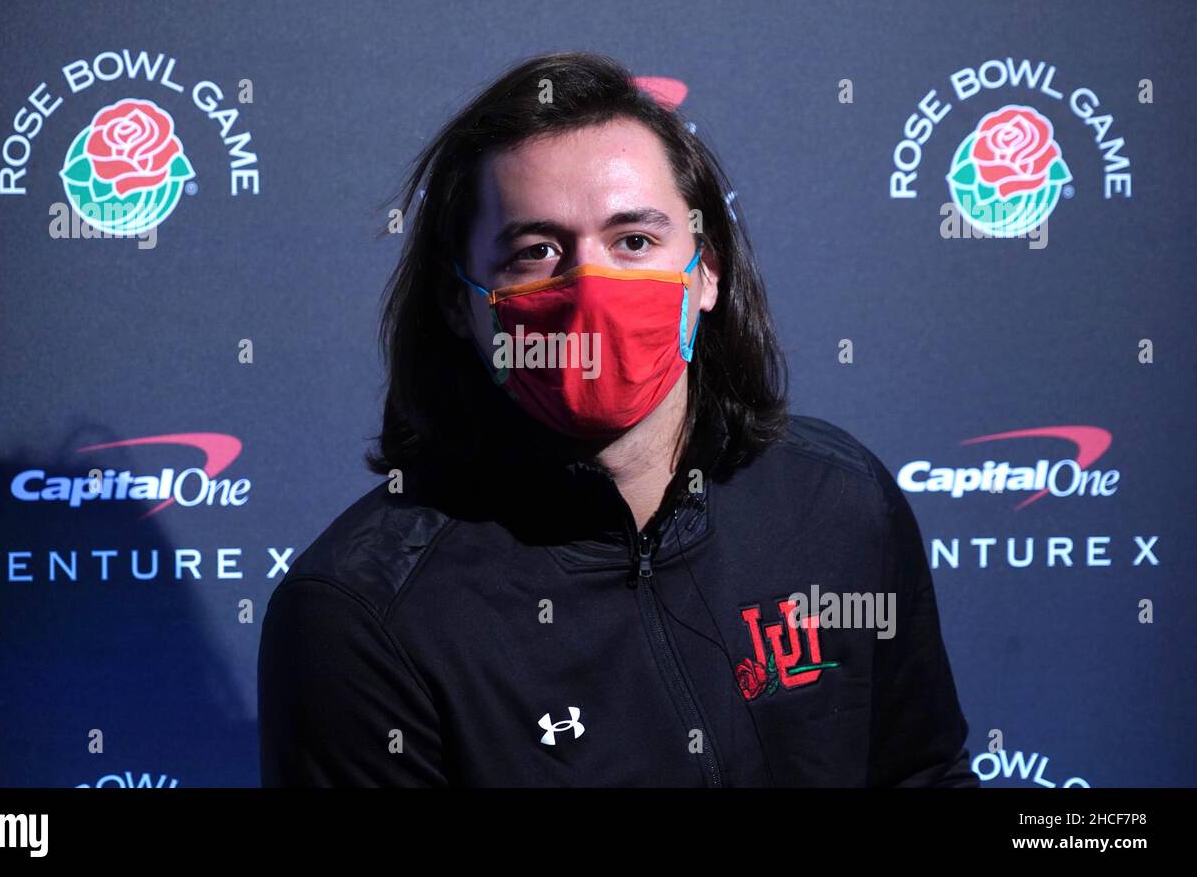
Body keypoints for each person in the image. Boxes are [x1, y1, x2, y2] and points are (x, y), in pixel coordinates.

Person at [258, 51, 978, 787]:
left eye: (634, 241)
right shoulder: (363, 613)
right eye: (537, 252)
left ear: (706, 272)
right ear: (457, 301)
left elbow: (923, 773)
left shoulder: (838, 499)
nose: (592, 288)